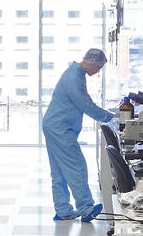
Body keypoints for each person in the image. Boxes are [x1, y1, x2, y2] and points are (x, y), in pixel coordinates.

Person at [42, 48, 115, 221]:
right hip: (60, 128)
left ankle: (63, 209)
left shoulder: (76, 73)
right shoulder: (74, 76)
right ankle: (85, 207)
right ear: (92, 62)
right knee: (76, 166)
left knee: (59, 170)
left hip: (54, 125)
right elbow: (85, 104)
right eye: (99, 67)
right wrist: (110, 118)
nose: (98, 72)